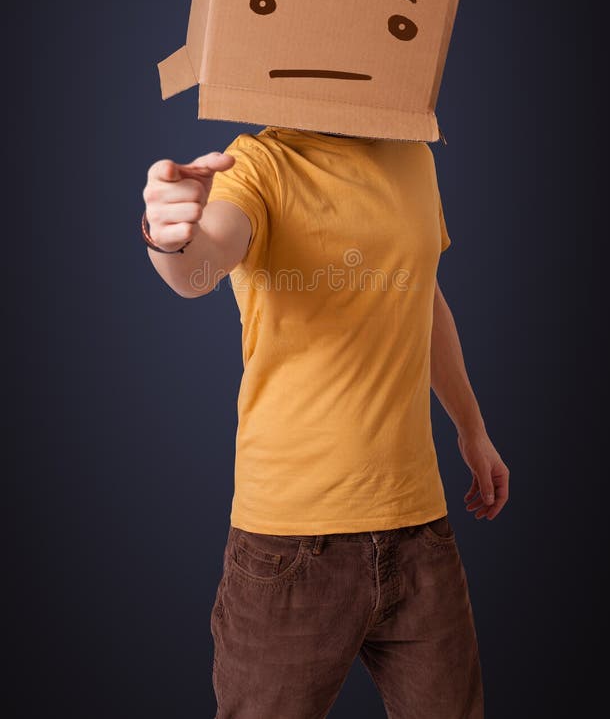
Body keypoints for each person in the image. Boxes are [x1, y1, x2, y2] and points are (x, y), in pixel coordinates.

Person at [141, 124, 509, 718]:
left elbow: (421, 291)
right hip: (290, 545)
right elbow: (201, 268)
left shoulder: (412, 155)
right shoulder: (257, 162)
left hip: (420, 531)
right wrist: (170, 239)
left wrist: (472, 428)